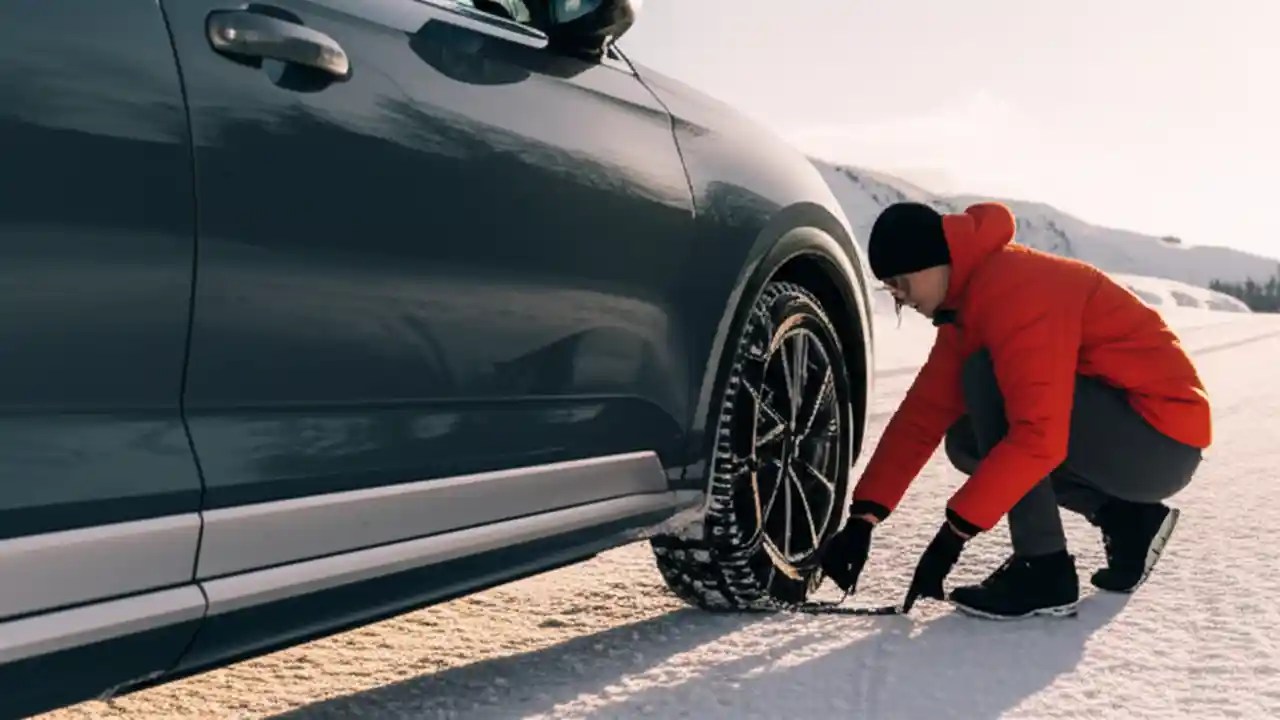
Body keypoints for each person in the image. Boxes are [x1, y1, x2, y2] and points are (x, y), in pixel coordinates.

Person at [821, 200, 1211, 619]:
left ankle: (1044, 569)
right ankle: (1128, 520)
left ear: (933, 263)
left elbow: (1039, 438)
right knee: (968, 439)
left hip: (1160, 439)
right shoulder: (967, 312)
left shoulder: (1018, 289)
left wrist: (953, 535)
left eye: (899, 280)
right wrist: (864, 518)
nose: (897, 296)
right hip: (1131, 440)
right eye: (887, 287)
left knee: (990, 385)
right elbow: (920, 419)